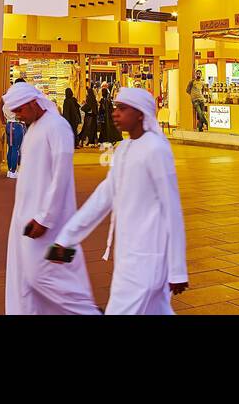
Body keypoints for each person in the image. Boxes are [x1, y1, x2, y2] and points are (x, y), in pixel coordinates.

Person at [50, 87, 188, 314]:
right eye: (116, 108)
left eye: (122, 109)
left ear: (141, 113)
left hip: (148, 258)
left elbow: (172, 209)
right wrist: (67, 237)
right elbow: (103, 197)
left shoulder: (156, 149)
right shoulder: (124, 148)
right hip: (128, 255)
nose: (115, 113)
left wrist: (177, 269)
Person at [1, 82, 101, 315]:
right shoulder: (34, 128)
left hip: (50, 222)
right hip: (26, 218)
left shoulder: (57, 126)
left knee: (47, 277)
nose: (19, 116)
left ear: (33, 103)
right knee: (25, 278)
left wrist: (45, 218)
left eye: (20, 111)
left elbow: (61, 175)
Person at [4, 103, 25, 179]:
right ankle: (13, 171)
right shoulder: (15, 103)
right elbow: (19, 114)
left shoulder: (6, 104)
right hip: (16, 125)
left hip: (9, 124)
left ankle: (10, 170)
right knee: (15, 148)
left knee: (10, 148)